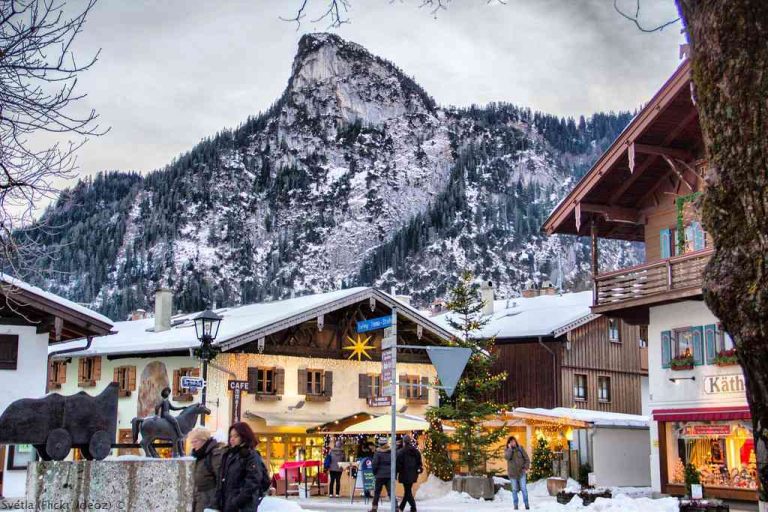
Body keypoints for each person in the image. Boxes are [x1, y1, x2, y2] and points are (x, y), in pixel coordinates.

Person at [217, 422, 269, 512]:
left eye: (236, 436)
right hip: (229, 505)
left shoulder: (250, 455)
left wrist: (237, 502)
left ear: (244, 436)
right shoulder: (228, 455)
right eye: (230, 436)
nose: (232, 439)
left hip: (243, 507)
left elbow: (253, 482)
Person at [189, 427, 226, 512]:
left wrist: (216, 502)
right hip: (199, 498)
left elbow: (220, 479)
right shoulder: (198, 455)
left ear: (204, 440)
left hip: (210, 500)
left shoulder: (214, 454)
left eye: (195, 441)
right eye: (192, 442)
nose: (193, 445)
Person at [396, 435, 423, 512]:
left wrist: (397, 472)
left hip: (404, 474)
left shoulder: (400, 452)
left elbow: (398, 464)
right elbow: (419, 463)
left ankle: (413, 508)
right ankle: (401, 508)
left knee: (407, 491)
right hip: (413, 474)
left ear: (404, 442)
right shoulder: (416, 451)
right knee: (407, 491)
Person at [504, 436, 530, 511]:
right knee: (514, 490)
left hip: (521, 473)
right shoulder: (507, 450)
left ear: (516, 442)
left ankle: (527, 505)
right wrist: (510, 449)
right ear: (509, 443)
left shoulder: (520, 449)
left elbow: (527, 459)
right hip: (512, 474)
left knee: (524, 489)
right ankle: (515, 506)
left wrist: (525, 467)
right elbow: (507, 457)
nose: (513, 443)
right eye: (511, 442)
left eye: (514, 441)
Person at [369, 437, 392, 512]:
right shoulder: (390, 452)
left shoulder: (378, 453)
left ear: (379, 444)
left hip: (379, 475)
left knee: (377, 493)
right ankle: (396, 507)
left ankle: (374, 508)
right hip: (389, 475)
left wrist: (375, 473)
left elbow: (374, 464)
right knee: (391, 492)